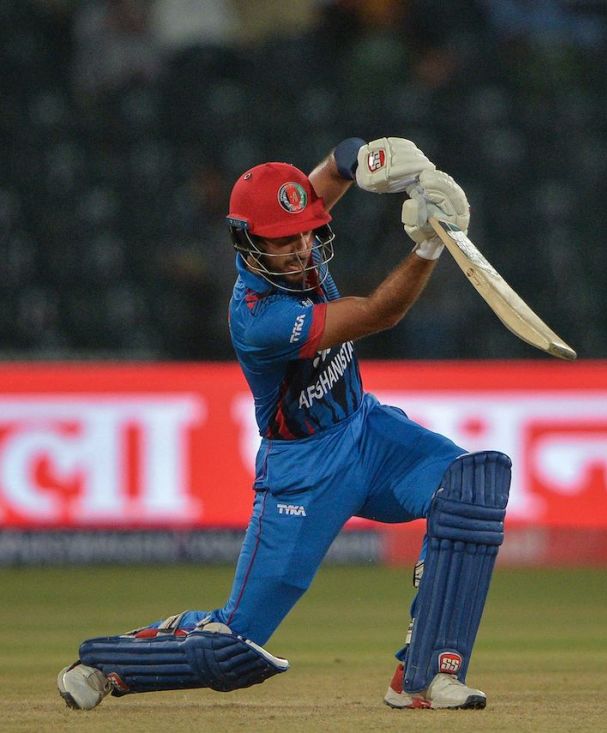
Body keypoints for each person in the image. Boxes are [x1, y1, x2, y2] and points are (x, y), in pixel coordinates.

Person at [56, 137, 511, 711]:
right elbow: (378, 314)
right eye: (283, 241)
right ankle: (110, 661)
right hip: (303, 472)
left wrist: (365, 159)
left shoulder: (292, 236)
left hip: (366, 431)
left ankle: (424, 678)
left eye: (306, 234)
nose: (301, 250)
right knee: (235, 647)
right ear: (249, 246)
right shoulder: (260, 318)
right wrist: (428, 245)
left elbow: (326, 177)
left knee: (473, 485)